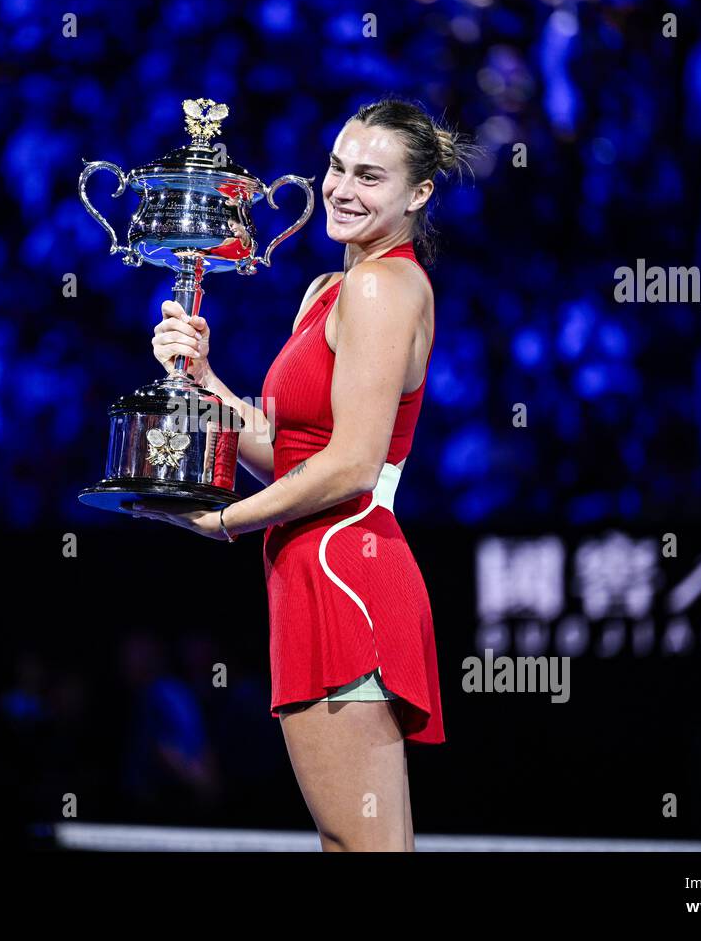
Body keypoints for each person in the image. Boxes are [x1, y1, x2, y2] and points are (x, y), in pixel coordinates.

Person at [134, 97, 470, 850]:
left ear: (418, 195)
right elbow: (286, 449)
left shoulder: (383, 287)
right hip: (310, 566)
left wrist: (219, 521)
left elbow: (351, 465)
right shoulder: (330, 289)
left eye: (371, 178)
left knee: (364, 849)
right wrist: (206, 377)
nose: (343, 190)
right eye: (337, 168)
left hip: (344, 566)